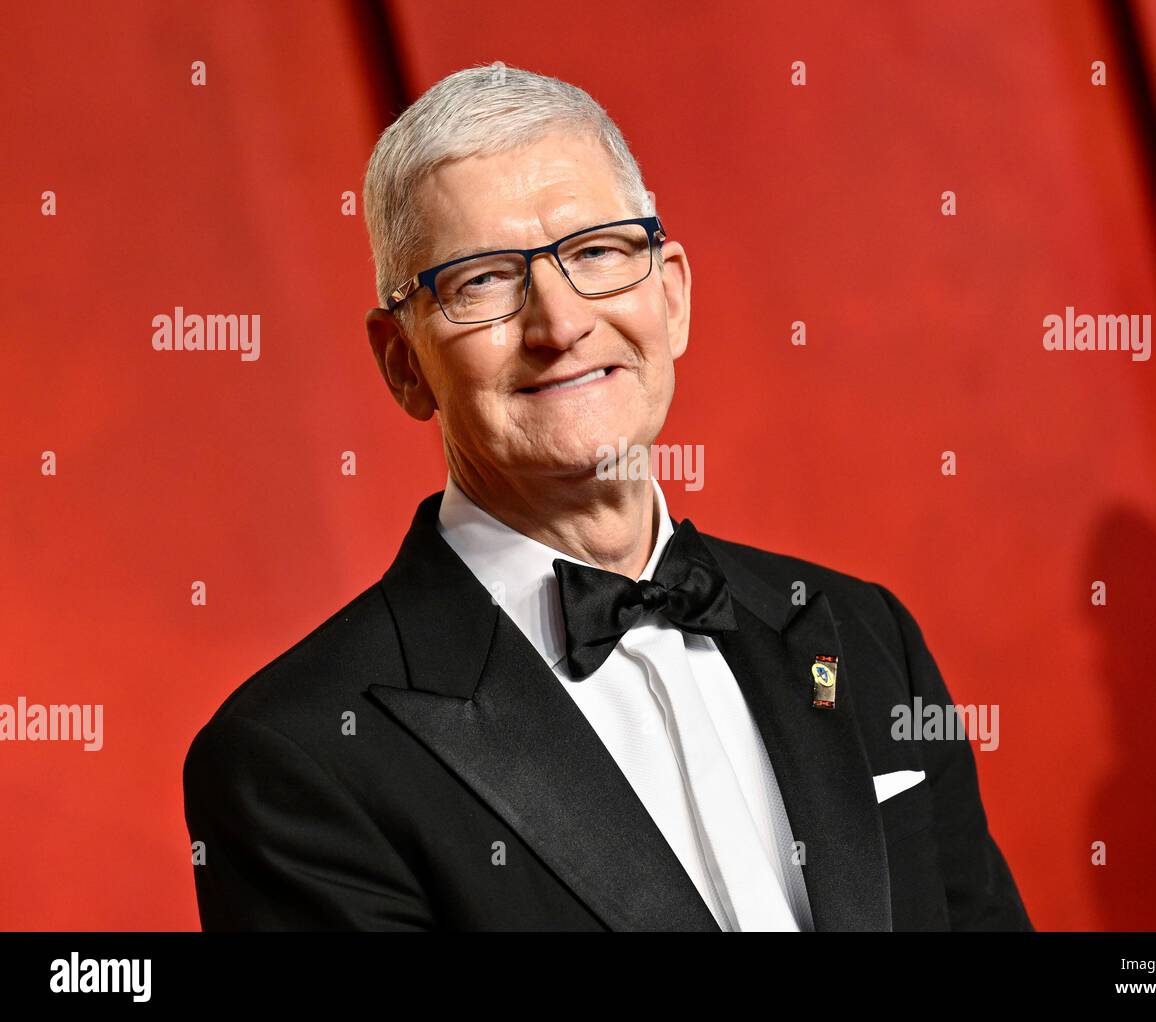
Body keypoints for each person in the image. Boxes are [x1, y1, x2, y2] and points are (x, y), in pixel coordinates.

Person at [182, 63, 1032, 932]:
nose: (560, 325)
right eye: (483, 280)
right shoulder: (297, 758)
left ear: (671, 296)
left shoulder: (863, 632)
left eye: (596, 253)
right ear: (404, 363)